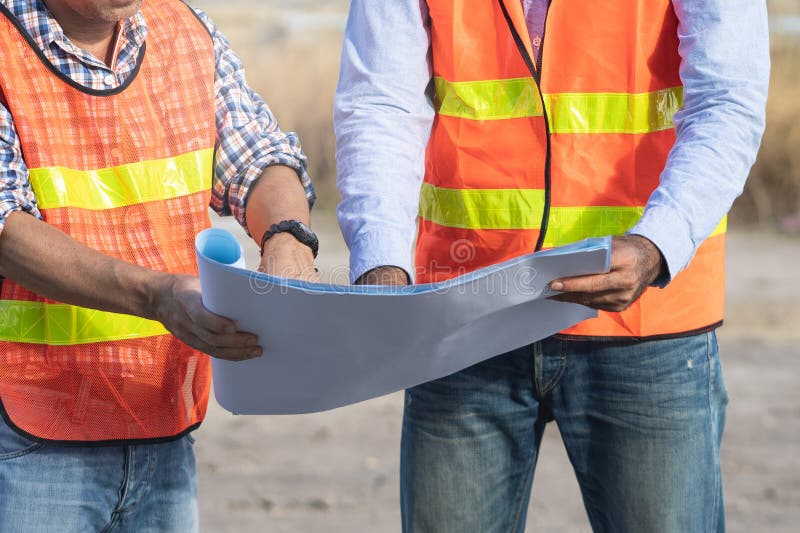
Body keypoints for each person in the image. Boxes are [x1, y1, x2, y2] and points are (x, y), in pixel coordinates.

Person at [335, 1, 768, 531]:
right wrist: (381, 262)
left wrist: (658, 243)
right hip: (462, 316)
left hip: (646, 321)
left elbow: (727, 99)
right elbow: (381, 103)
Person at [0, 0, 319, 531]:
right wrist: (158, 297)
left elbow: (259, 157)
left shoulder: (185, 32)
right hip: (32, 436)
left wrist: (287, 233)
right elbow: (4, 228)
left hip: (163, 428)